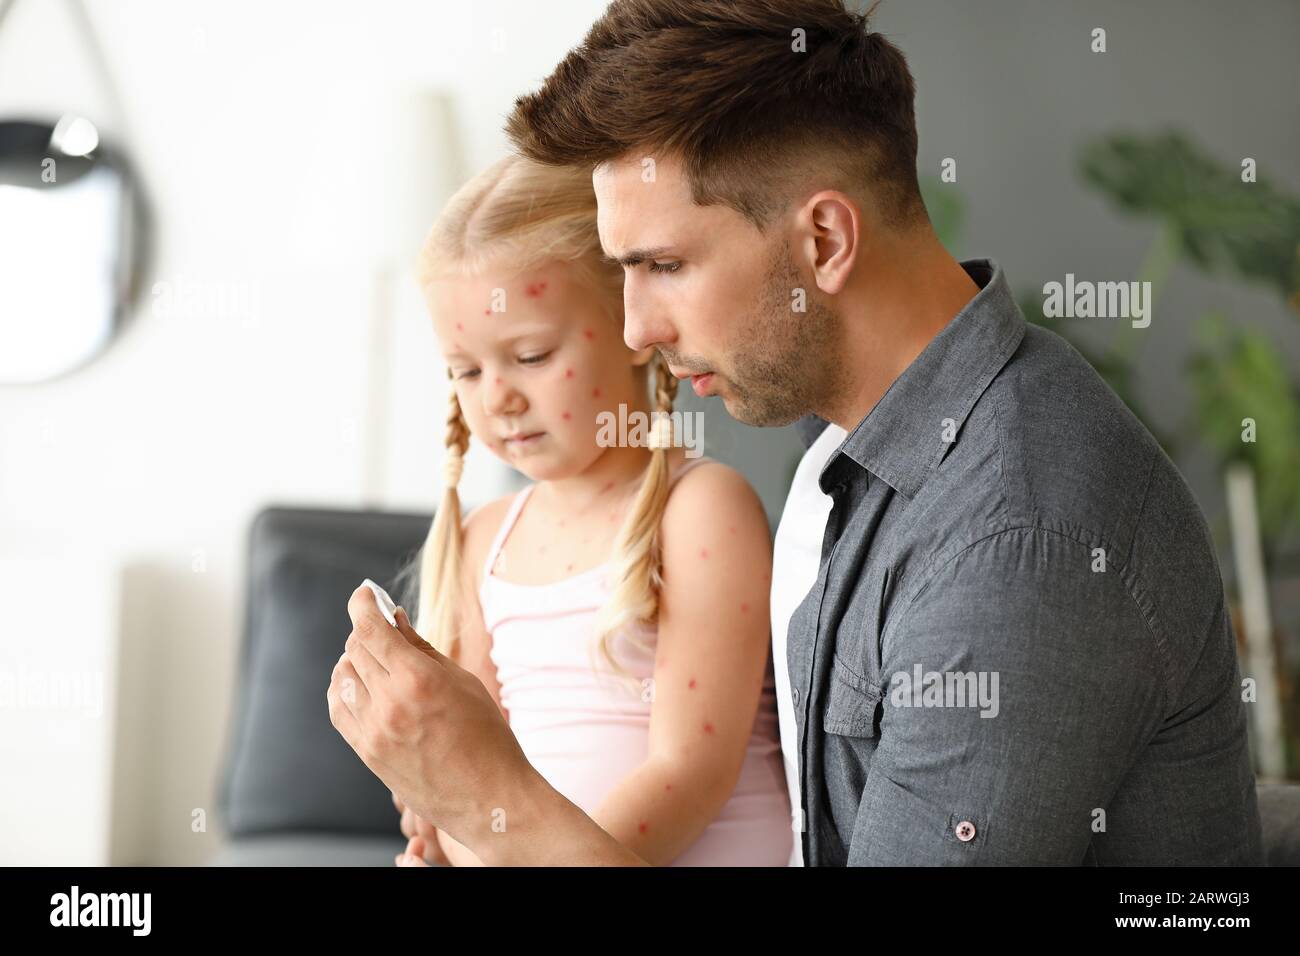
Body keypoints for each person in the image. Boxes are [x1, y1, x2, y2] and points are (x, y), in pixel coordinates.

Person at [333, 0, 1262, 865]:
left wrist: (491, 797)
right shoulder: (857, 466)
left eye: (662, 264)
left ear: (823, 242)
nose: (635, 331)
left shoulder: (1014, 540)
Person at [379, 154, 791, 866]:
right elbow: (478, 773)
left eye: (532, 355)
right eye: (467, 370)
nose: (497, 396)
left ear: (631, 327)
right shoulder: (486, 541)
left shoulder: (698, 511)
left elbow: (689, 773)